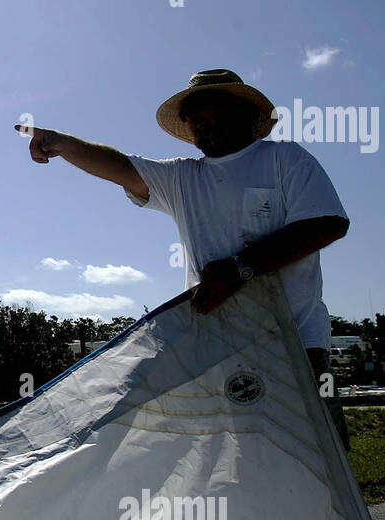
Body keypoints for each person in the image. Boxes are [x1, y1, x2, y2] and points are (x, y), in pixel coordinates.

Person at [18, 68, 352, 451]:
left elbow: (327, 223)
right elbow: (121, 167)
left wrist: (242, 267)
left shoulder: (285, 159)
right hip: (217, 350)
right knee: (240, 466)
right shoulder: (182, 178)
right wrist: (61, 143)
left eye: (202, 107)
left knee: (320, 464)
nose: (193, 119)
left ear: (240, 109)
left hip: (294, 346)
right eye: (187, 115)